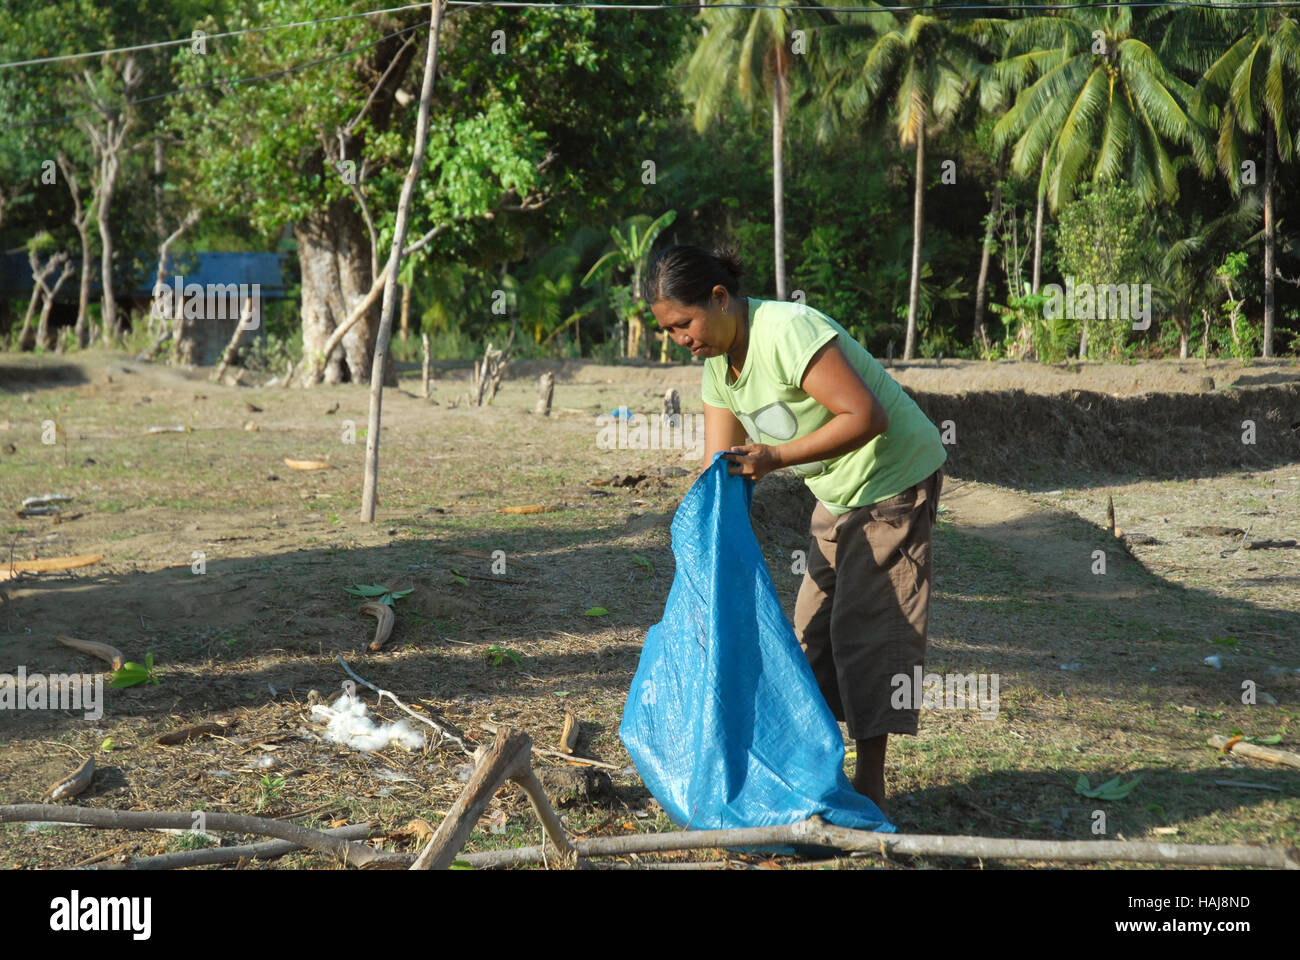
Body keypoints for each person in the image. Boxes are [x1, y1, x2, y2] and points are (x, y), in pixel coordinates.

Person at [644, 244, 946, 819]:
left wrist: (776, 458)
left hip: (893, 477)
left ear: (719, 297)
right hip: (835, 492)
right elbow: (721, 469)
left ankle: (871, 788)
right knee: (805, 638)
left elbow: (866, 416)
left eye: (684, 323)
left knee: (868, 631)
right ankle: (808, 776)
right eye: (669, 331)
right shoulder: (717, 368)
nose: (681, 338)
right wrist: (705, 555)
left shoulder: (786, 330)